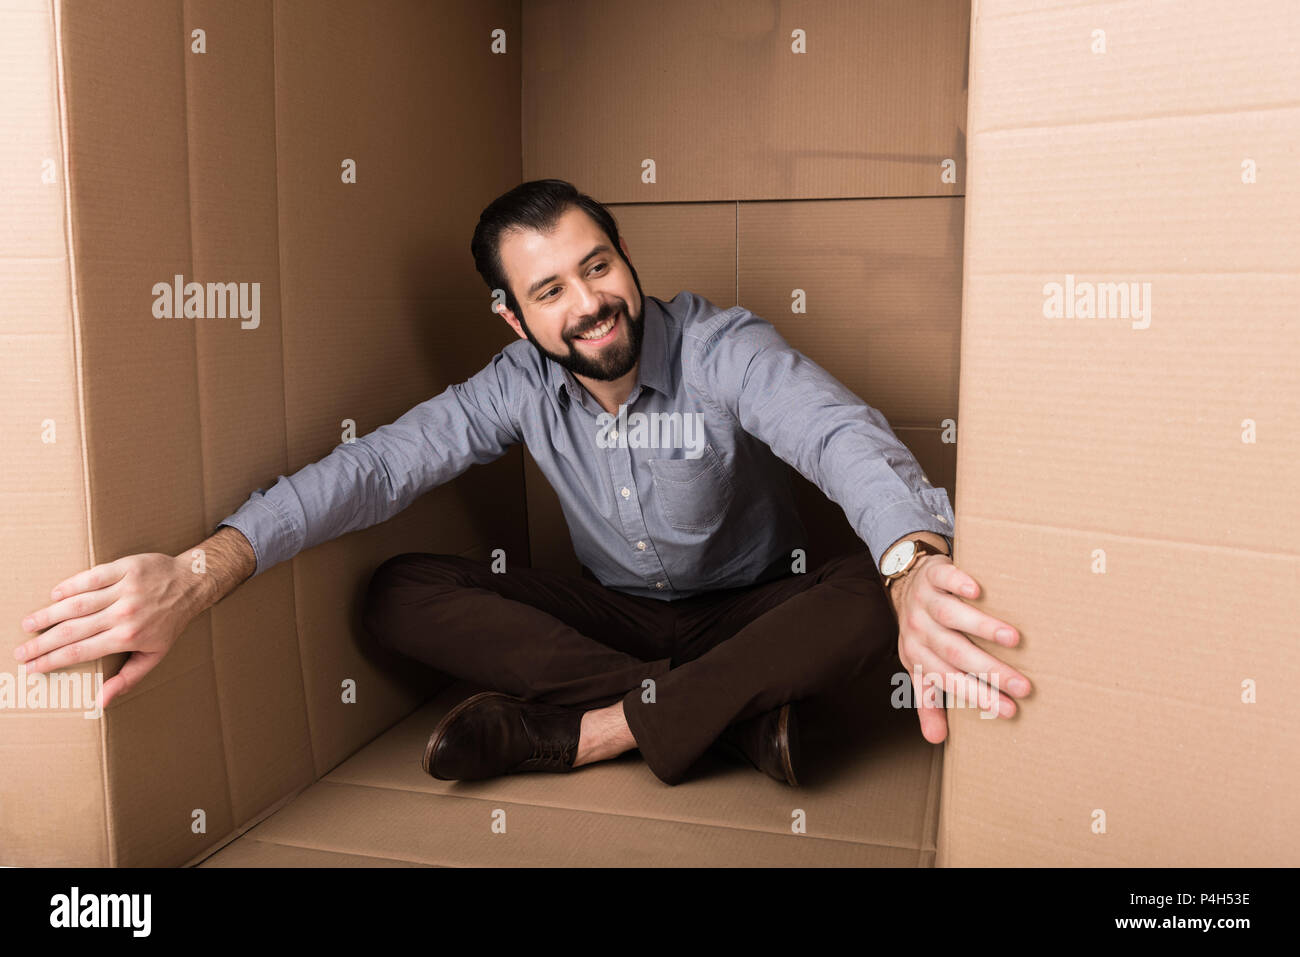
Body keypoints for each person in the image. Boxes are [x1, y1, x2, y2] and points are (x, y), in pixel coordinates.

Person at [14, 179, 1029, 787]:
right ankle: (721, 723)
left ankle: (590, 735)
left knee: (864, 588)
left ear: (626, 259)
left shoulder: (722, 347)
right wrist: (198, 576)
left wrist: (908, 563)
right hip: (611, 625)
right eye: (551, 291)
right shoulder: (514, 387)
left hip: (756, 611)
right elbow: (376, 467)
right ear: (513, 316)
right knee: (399, 591)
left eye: (599, 267)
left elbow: (837, 431)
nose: (591, 305)